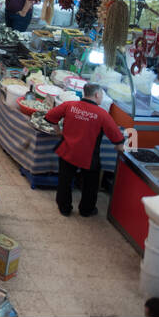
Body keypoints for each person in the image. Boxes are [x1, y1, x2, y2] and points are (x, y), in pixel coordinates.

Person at [44, 83, 124, 218]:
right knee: (90, 185)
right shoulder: (102, 114)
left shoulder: (69, 105)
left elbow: (50, 116)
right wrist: (120, 150)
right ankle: (86, 210)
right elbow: (118, 139)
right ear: (97, 95)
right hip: (89, 156)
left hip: (67, 151)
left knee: (65, 181)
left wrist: (59, 132)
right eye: (102, 95)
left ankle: (64, 208)